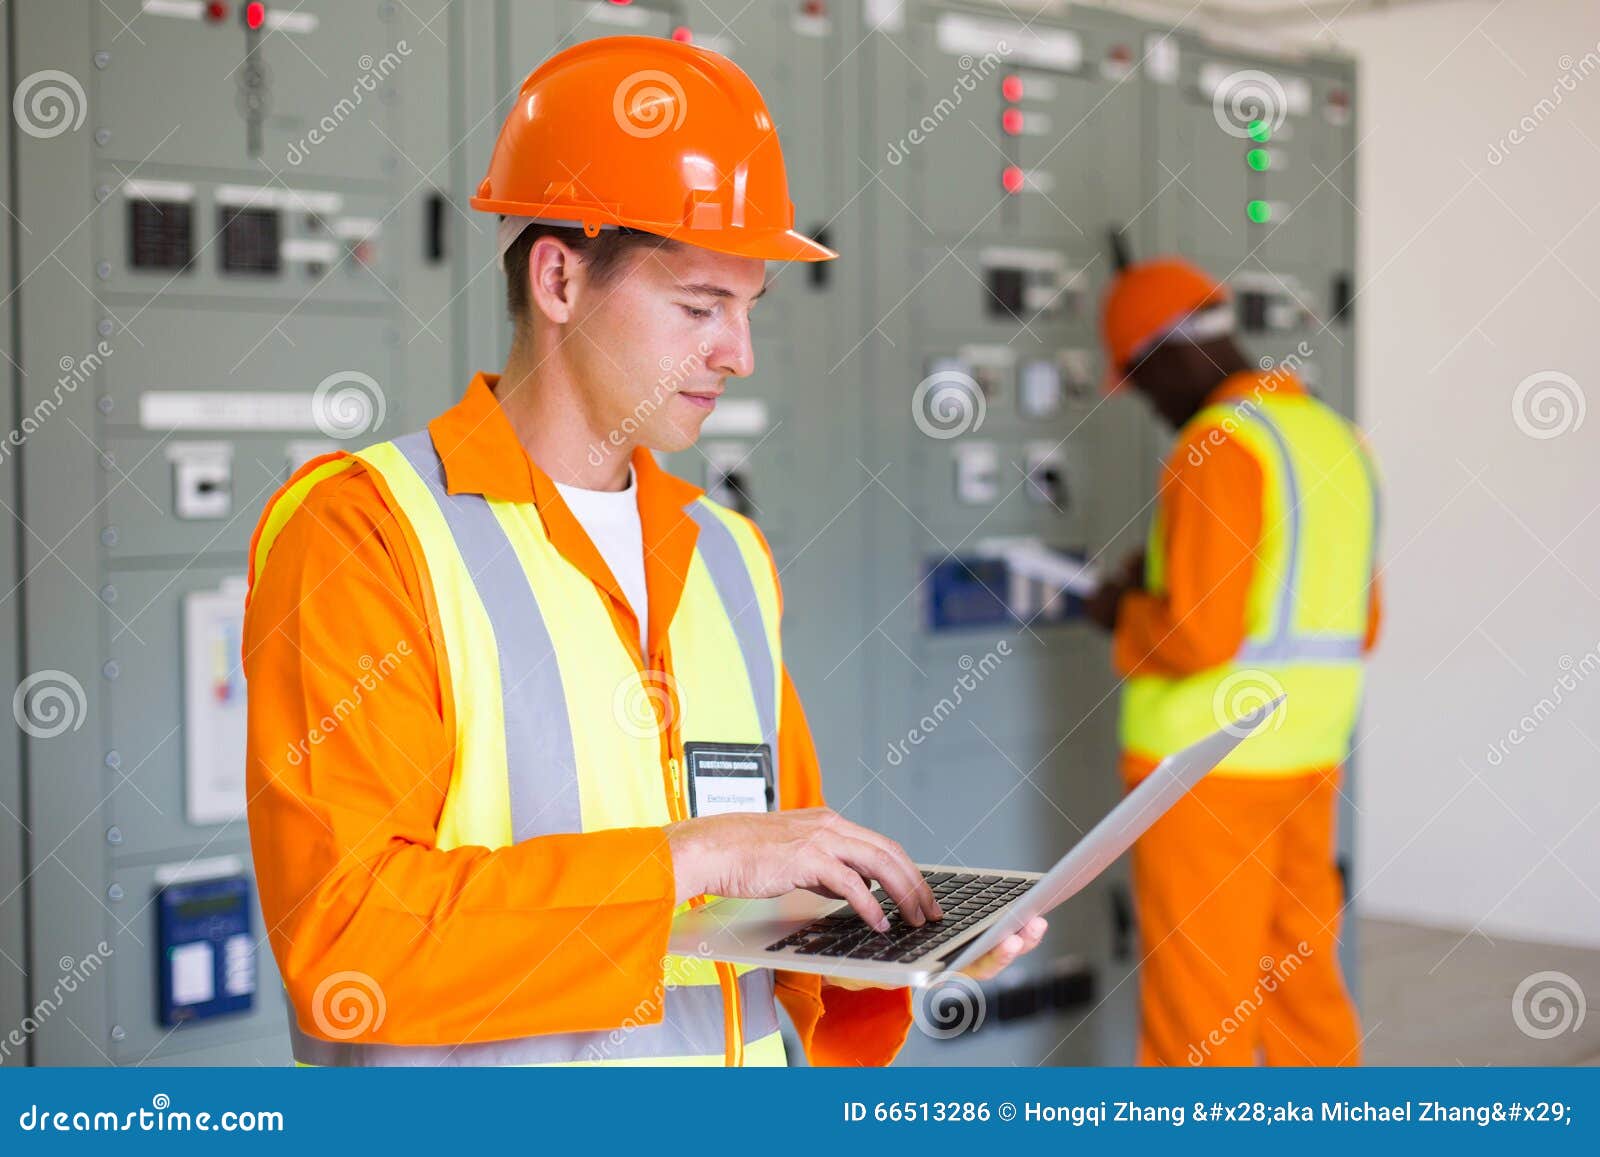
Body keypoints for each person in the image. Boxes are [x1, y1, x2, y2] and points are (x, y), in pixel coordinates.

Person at [241, 35, 1044, 1068]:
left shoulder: (727, 556)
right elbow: (351, 937)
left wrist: (895, 951)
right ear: (560, 278)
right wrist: (698, 853)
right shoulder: (367, 532)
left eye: (748, 309)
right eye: (699, 306)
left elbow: (770, 912)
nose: (737, 353)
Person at [1083, 256, 1381, 1066]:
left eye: (1144, 386)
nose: (1155, 409)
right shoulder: (1334, 436)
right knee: (1301, 984)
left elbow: (1199, 637)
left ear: (1164, 357)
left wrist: (1118, 609)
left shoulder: (1218, 444)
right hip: (1308, 756)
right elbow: (1366, 618)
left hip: (1205, 769)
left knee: (1199, 1007)